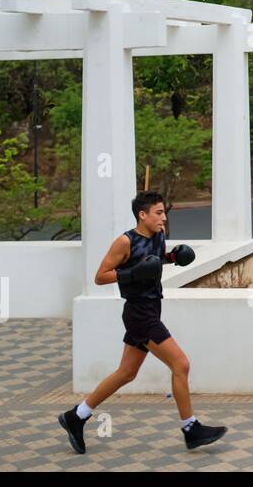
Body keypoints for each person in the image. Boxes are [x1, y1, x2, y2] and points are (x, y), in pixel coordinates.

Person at [57, 191, 227, 454]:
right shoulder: (125, 242)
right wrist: (131, 273)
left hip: (151, 309)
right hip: (139, 313)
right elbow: (100, 277)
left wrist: (172, 258)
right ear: (142, 215)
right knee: (181, 364)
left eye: (164, 212)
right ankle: (190, 429)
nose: (163, 218)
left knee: (126, 373)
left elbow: (154, 262)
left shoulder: (158, 236)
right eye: (158, 213)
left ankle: (76, 416)